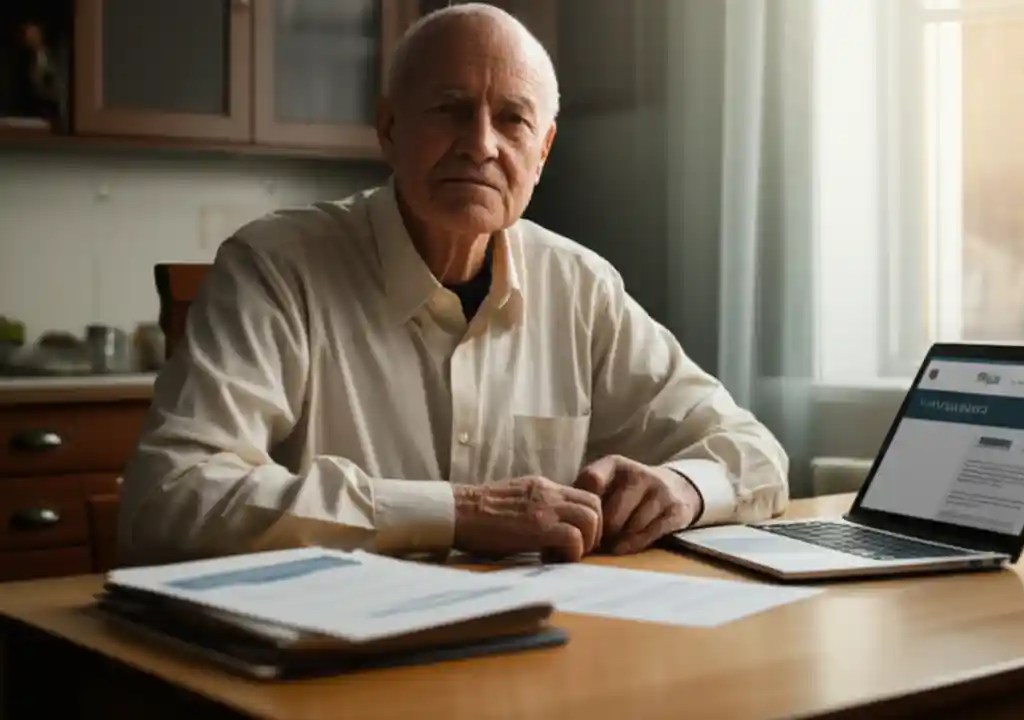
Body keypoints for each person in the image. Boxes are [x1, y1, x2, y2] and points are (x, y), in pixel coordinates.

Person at [118, 3, 788, 567]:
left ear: (543, 151)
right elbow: (172, 498)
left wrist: (682, 488)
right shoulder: (276, 267)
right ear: (388, 128)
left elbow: (755, 455)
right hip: (329, 664)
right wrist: (461, 512)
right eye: (450, 108)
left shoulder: (580, 286)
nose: (481, 144)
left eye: (512, 120)